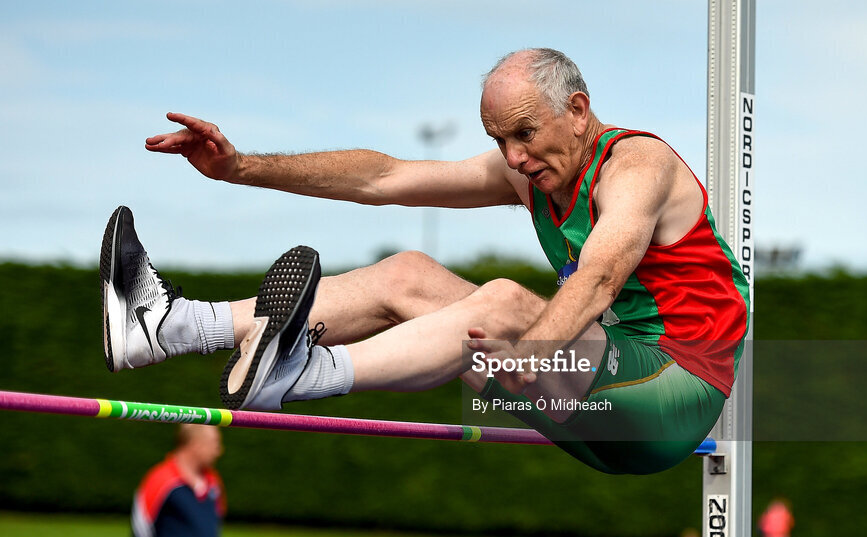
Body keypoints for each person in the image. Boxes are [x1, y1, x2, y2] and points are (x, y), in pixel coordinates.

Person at [106, 47, 749, 475]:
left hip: (672, 396)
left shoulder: (638, 167)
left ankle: (304, 376)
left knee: (500, 303)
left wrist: (535, 350)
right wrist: (240, 168)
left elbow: (604, 273)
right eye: (499, 141)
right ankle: (168, 329)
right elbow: (384, 177)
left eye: (526, 133)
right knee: (408, 272)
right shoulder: (531, 173)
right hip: (590, 378)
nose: (515, 158)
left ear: (577, 110)